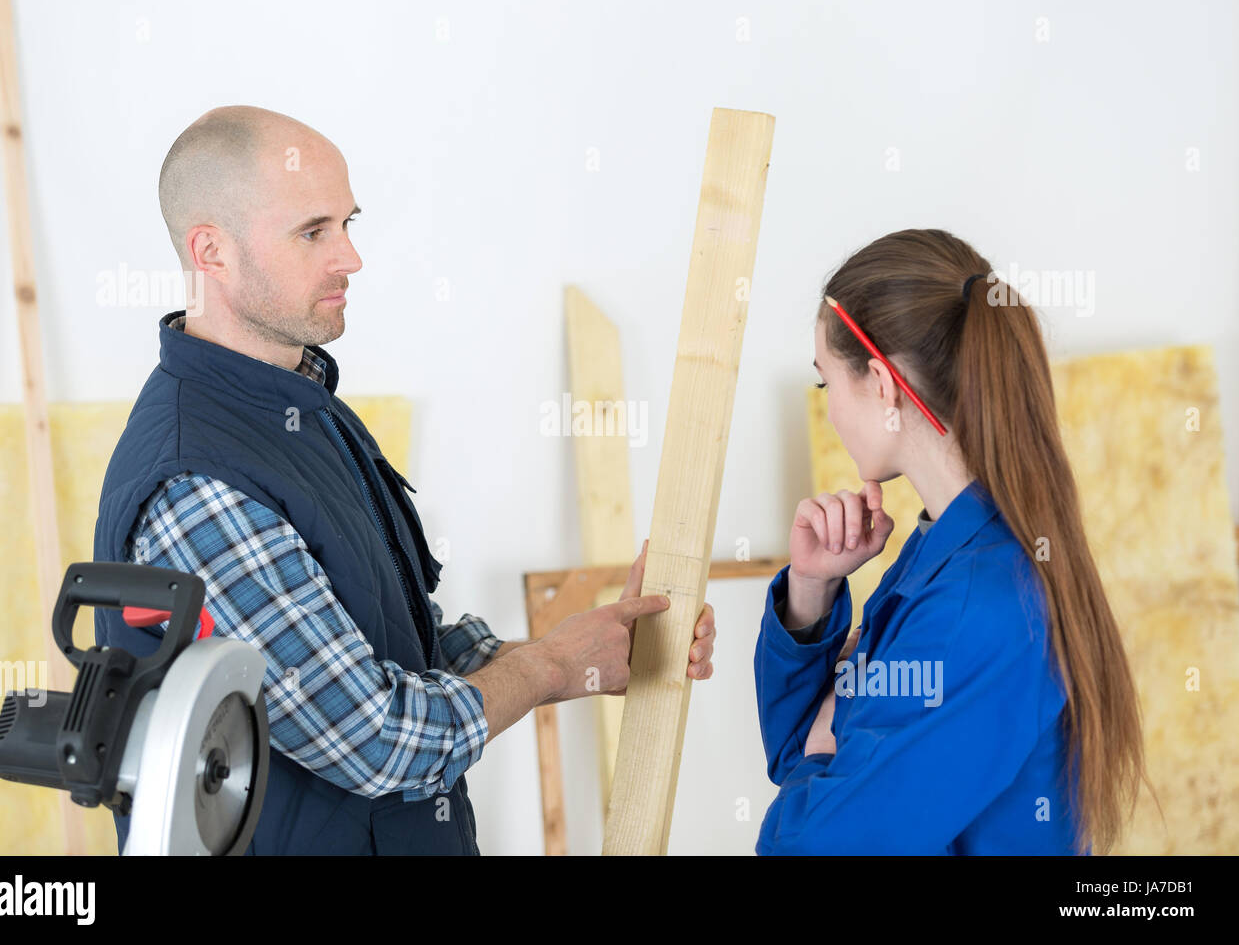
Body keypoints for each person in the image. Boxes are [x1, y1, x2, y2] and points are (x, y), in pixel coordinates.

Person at [93, 105, 718, 855]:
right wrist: (552, 668)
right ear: (211, 252)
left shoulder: (302, 407)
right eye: (313, 231)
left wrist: (588, 650)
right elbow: (375, 739)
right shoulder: (197, 480)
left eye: (349, 224)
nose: (350, 258)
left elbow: (396, 654)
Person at [754, 228, 1153, 854]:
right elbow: (797, 755)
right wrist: (811, 592)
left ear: (883, 387)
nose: (828, 409)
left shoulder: (977, 604)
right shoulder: (941, 551)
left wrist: (824, 746)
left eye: (827, 383)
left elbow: (816, 843)